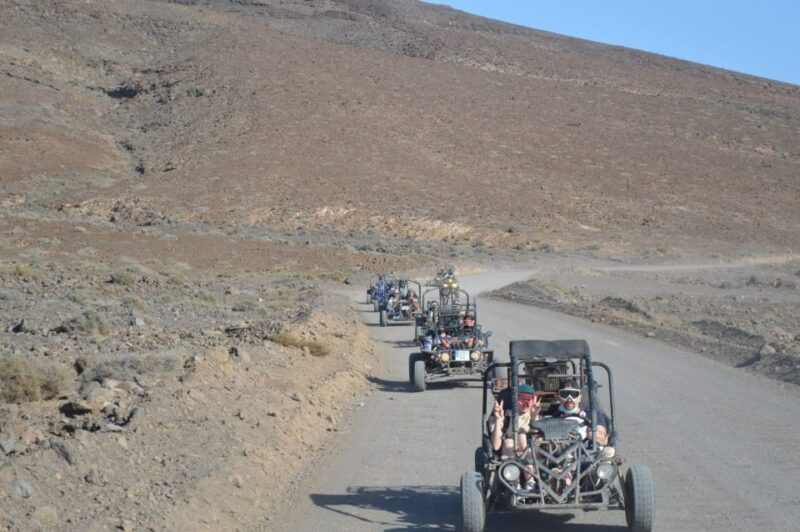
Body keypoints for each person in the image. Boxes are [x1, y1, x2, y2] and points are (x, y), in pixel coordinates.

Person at [546, 382, 608, 446]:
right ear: (559, 397)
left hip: (588, 452)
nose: (569, 399)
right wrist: (535, 414)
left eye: (574, 394)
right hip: (561, 452)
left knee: (609, 451)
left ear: (580, 398)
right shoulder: (555, 418)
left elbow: (604, 439)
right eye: (565, 394)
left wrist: (595, 435)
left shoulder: (592, 415)